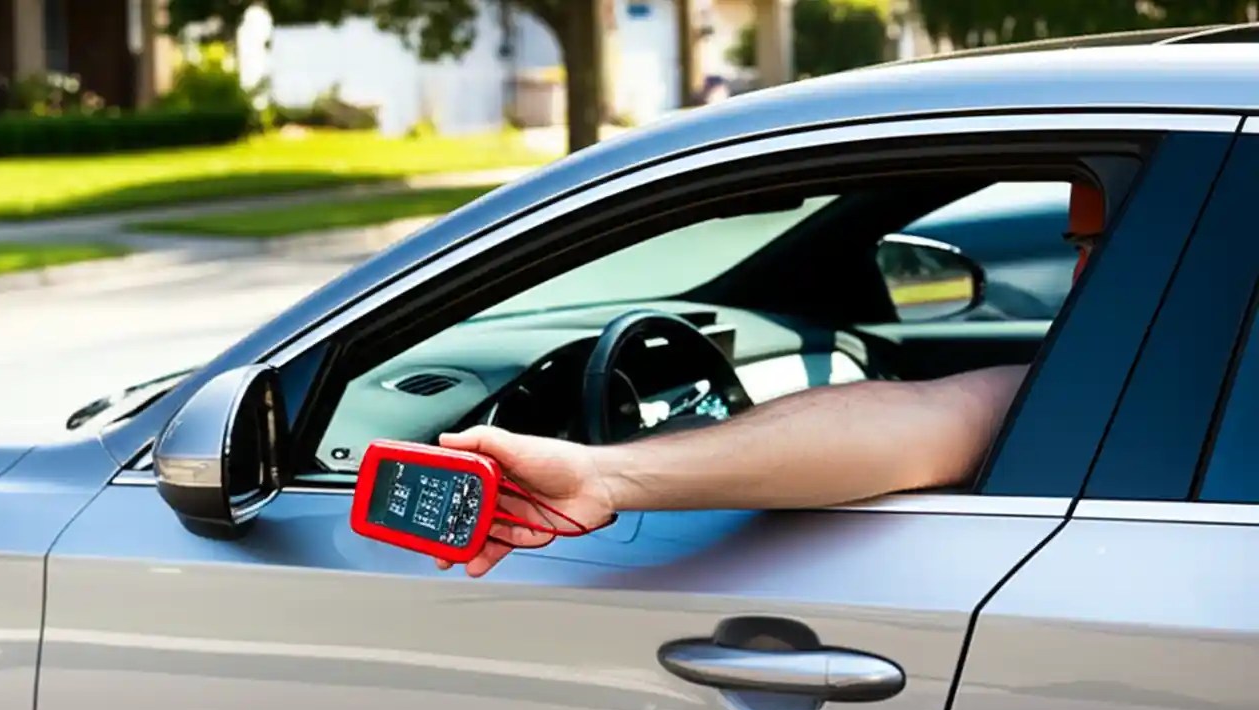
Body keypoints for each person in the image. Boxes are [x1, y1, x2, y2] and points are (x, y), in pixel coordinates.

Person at [438, 182, 1107, 577]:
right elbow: (935, 418)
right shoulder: (1113, 387)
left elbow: (926, 420)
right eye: (1081, 250)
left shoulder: (1132, 393)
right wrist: (603, 476)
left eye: (1099, 247)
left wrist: (608, 474)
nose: (1088, 277)